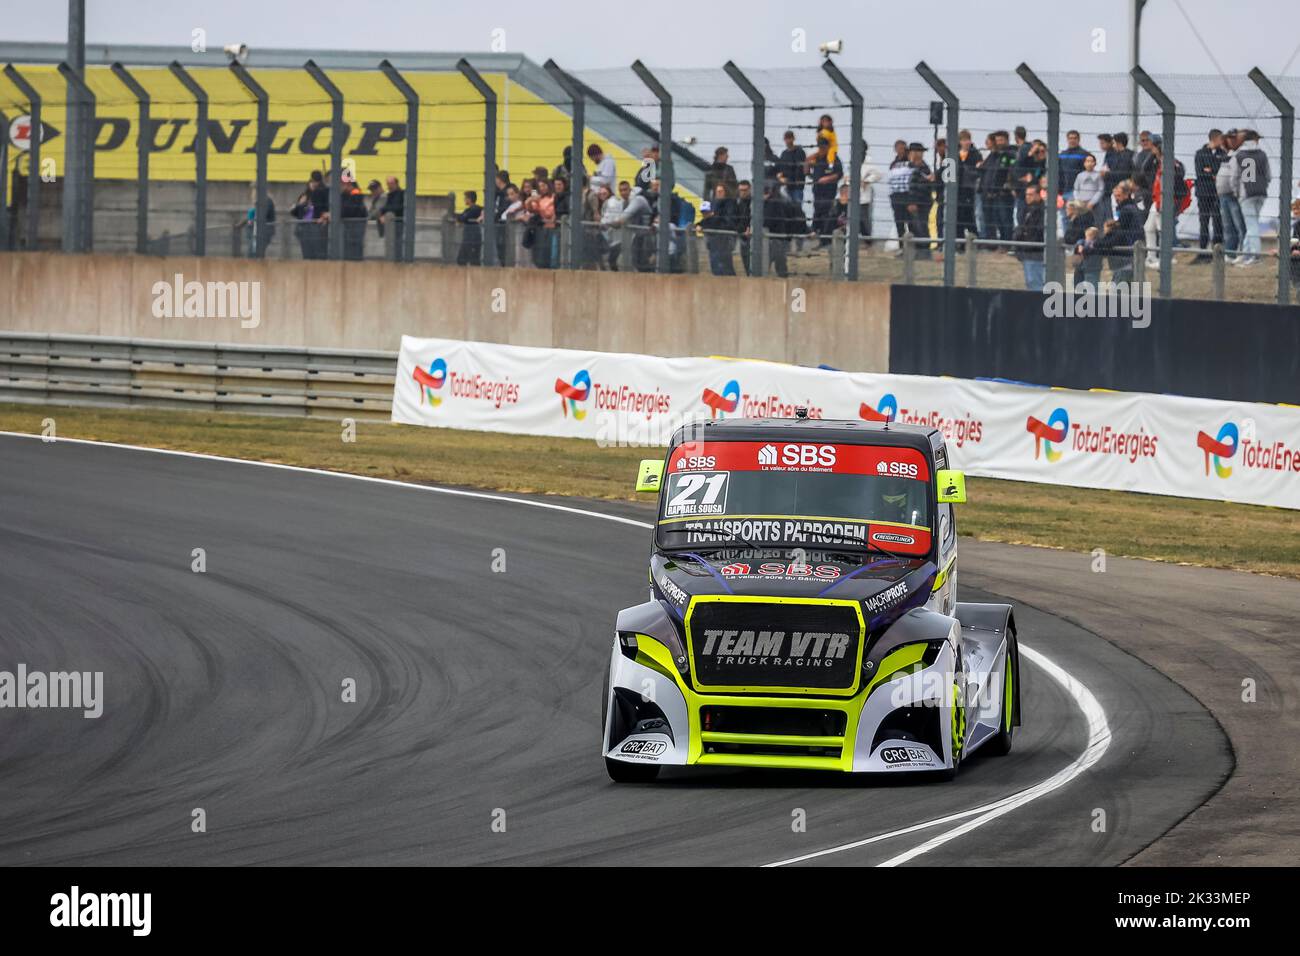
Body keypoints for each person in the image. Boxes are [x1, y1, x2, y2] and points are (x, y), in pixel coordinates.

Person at [1233, 129, 1270, 267]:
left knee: (1251, 225)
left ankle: (1255, 256)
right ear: (1254, 140)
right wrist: (1263, 185)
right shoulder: (1262, 155)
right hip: (1260, 192)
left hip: (1246, 194)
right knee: (1252, 225)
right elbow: (1268, 175)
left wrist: (1236, 192)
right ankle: (1245, 254)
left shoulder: (1239, 155)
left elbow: (1234, 177)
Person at [1193, 129, 1225, 262]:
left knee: (1218, 222)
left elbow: (1221, 171)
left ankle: (1217, 249)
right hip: (1203, 193)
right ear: (1214, 139)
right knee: (1204, 221)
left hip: (1217, 192)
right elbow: (1200, 172)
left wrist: (1211, 171)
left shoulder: (1223, 154)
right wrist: (1211, 173)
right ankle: (1203, 250)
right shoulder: (1200, 154)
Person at [809, 133, 843, 245]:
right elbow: (807, 171)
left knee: (826, 214)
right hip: (817, 191)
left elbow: (839, 174)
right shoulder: (817, 158)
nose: (821, 148)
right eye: (819, 146)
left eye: (823, 146)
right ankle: (815, 233)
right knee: (817, 212)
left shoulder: (833, 158)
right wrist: (807, 163)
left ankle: (824, 240)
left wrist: (827, 179)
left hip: (828, 191)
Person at [1216, 130, 1245, 260]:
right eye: (1229, 139)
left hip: (1234, 195)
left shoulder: (1240, 155)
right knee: (1228, 226)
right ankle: (1230, 252)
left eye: (1233, 139)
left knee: (1239, 225)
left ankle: (1244, 252)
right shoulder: (1227, 154)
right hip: (1223, 195)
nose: (1230, 141)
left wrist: (1237, 192)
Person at [700, 182, 737, 275]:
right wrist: (700, 224)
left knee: (725, 264)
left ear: (725, 192)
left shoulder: (730, 203)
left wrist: (714, 217)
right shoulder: (713, 203)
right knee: (715, 264)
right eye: (717, 191)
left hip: (724, 237)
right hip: (714, 238)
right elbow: (708, 218)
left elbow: (728, 220)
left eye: (721, 191)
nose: (719, 193)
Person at [1014, 180, 1045, 290]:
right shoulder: (1026, 209)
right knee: (1030, 281)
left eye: (1031, 194)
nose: (1028, 197)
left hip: (1036, 251)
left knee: (1035, 281)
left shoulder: (1043, 210)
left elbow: (1039, 230)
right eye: (1026, 194)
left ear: (1038, 195)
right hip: (1026, 250)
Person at [903, 142, 932, 258]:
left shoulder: (923, 168)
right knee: (913, 226)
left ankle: (924, 251)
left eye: (919, 152)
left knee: (921, 226)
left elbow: (920, 187)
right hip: (911, 201)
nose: (917, 154)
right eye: (914, 152)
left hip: (921, 202)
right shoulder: (909, 167)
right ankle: (916, 251)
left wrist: (912, 201)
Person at [955, 129, 981, 241]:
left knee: (969, 215)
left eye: (968, 140)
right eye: (964, 140)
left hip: (969, 188)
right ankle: (959, 241)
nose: (966, 142)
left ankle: (975, 240)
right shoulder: (953, 153)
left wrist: (968, 171)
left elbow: (978, 171)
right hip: (956, 189)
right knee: (957, 216)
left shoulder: (975, 154)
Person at [887, 140, 912, 249]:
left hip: (907, 195)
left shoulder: (910, 162)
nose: (901, 150)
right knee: (899, 223)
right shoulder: (893, 164)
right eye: (899, 148)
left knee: (911, 222)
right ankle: (902, 246)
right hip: (896, 196)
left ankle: (912, 245)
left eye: (903, 148)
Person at [857, 140, 880, 245]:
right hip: (853, 194)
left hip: (864, 194)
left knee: (864, 218)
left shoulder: (868, 161)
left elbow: (877, 174)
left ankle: (868, 240)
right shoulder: (854, 159)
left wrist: (867, 181)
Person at [777, 130, 807, 208]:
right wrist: (781, 178)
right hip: (786, 186)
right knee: (786, 210)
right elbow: (781, 168)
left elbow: (800, 169)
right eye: (786, 138)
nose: (788, 141)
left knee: (797, 210)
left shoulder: (800, 152)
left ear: (793, 139)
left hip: (797, 187)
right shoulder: (784, 154)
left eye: (790, 138)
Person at [455, 189, 483, 265]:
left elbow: (463, 218)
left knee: (473, 259)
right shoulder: (469, 209)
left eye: (465, 198)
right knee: (461, 259)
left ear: (469, 199)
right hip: (468, 237)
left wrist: (460, 219)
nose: (464, 200)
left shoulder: (475, 209)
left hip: (472, 237)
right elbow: (461, 217)